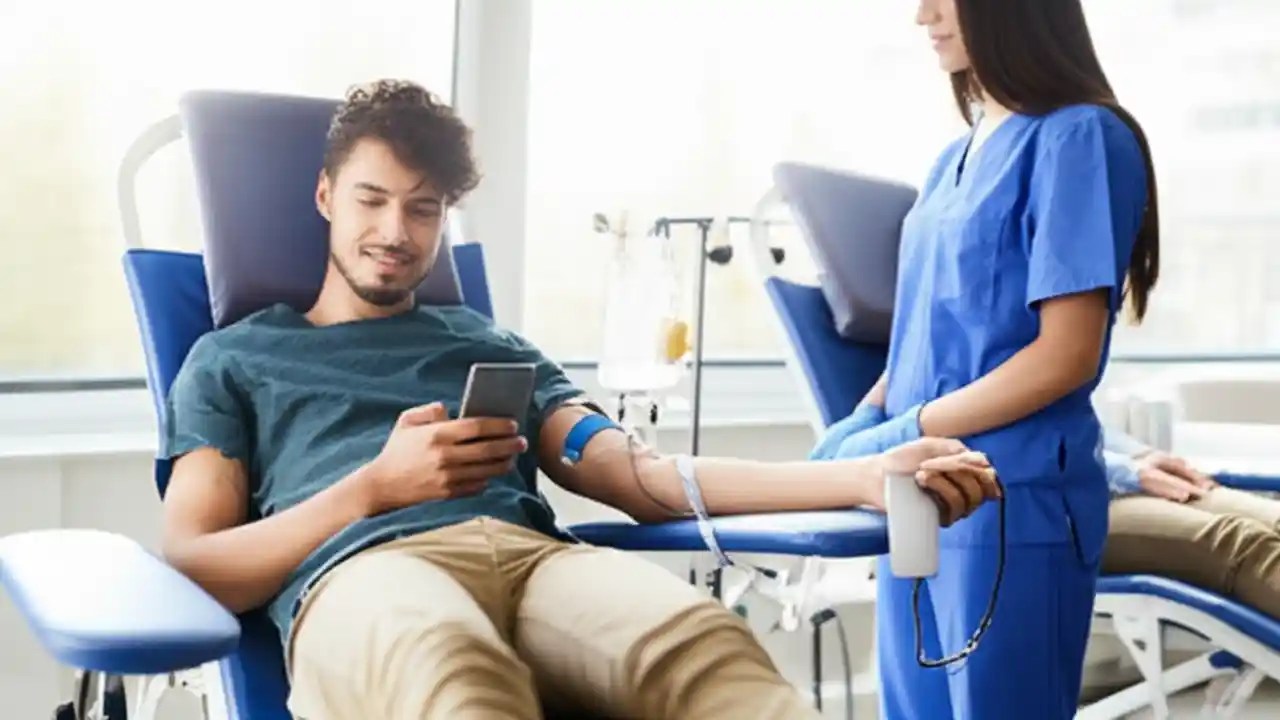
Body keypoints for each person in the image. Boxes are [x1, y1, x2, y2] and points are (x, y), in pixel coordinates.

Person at [158, 79, 1000, 720]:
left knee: (703, 647)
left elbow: (640, 478)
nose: (395, 232)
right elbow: (195, 565)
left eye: (423, 209)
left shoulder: (489, 345)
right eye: (372, 200)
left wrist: (861, 475)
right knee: (452, 674)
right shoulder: (235, 358)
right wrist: (373, 490)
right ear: (325, 197)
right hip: (361, 573)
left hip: (537, 564)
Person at [811, 1, 1161, 717]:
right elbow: (929, 334)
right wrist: (862, 423)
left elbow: (1064, 356)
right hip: (917, 489)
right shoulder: (954, 157)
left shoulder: (1079, 138)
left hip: (1009, 495)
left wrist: (905, 430)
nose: (922, 15)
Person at [1102, 428, 1280, 617]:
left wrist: (1140, 455)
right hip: (1076, 508)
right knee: (1240, 543)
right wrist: (1126, 471)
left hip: (1116, 471)